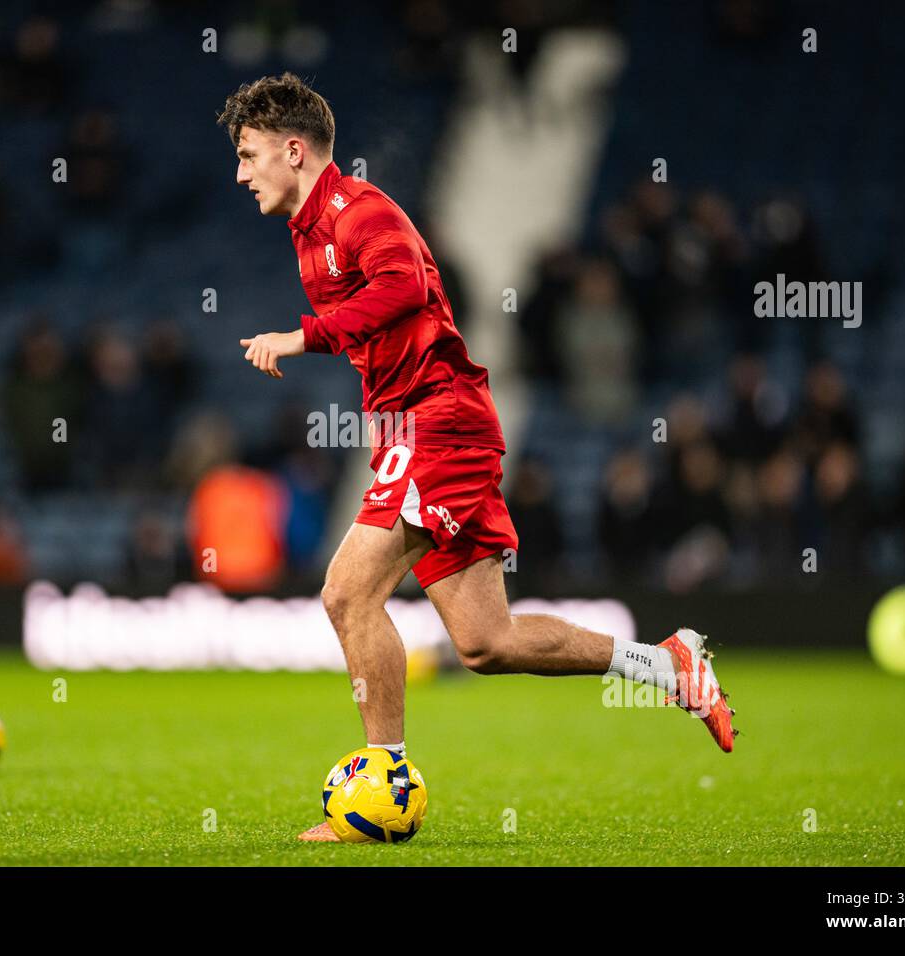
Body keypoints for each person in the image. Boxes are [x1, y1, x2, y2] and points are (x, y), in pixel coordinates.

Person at [217, 73, 737, 842]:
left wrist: (304, 335)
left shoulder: (361, 212)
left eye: (249, 153)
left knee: (346, 593)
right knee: (486, 643)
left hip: (443, 425)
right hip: (415, 429)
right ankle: (667, 666)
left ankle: (386, 783)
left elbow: (401, 290)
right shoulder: (308, 234)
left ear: (293, 150)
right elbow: (384, 339)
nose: (240, 172)